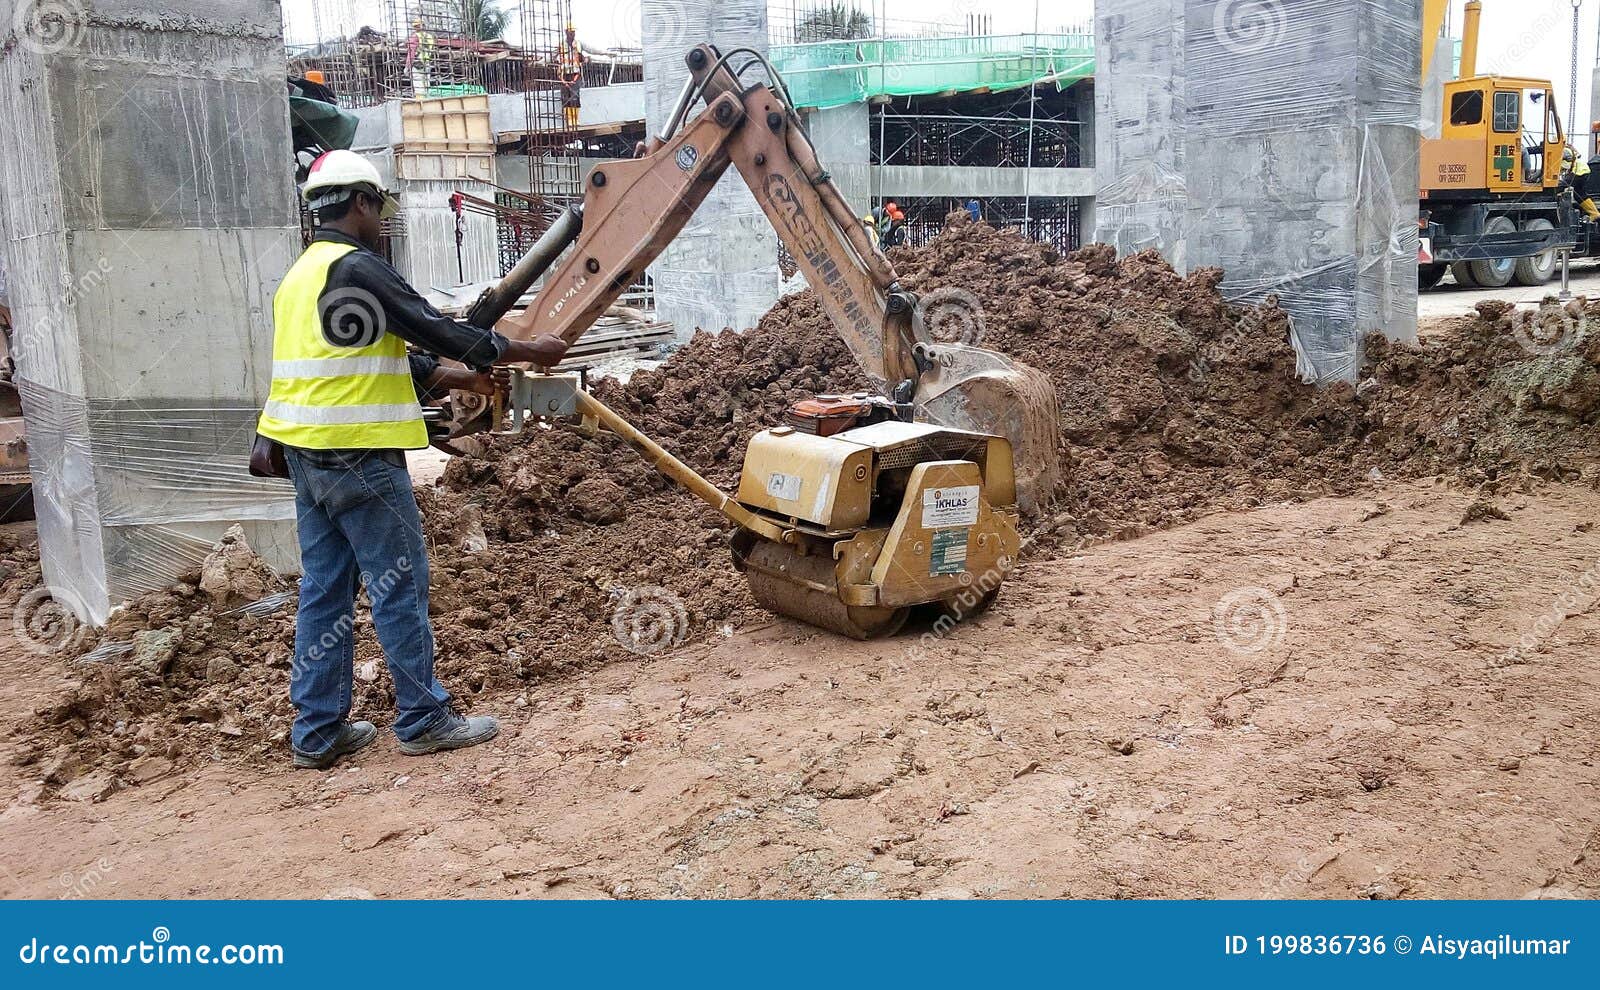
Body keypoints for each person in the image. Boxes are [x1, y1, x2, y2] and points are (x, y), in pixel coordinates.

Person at [256, 150, 559, 770]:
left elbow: (375, 357)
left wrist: (462, 379)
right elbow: (433, 328)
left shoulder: (302, 276)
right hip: (361, 457)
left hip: (307, 458)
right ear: (361, 203)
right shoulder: (360, 269)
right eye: (379, 207)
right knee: (399, 583)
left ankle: (317, 730)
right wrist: (529, 348)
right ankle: (423, 717)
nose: (382, 220)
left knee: (324, 591)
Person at [557, 23, 584, 128]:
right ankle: (569, 120)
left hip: (575, 74)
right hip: (564, 74)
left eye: (574, 32)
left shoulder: (578, 44)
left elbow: (586, 53)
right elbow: (553, 56)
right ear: (566, 32)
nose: (573, 34)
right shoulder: (561, 45)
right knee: (566, 97)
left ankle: (575, 119)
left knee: (575, 97)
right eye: (571, 32)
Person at [1563, 146, 1600, 221]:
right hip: (1584, 171)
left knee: (1561, 186)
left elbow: (1569, 160)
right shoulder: (1567, 149)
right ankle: (1595, 213)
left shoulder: (1563, 151)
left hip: (1579, 171)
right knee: (1579, 194)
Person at [405, 18, 433, 98]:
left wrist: (407, 66)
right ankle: (427, 101)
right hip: (427, 62)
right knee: (426, 84)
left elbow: (411, 52)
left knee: (418, 84)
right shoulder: (430, 37)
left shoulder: (415, 36)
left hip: (417, 63)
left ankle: (421, 103)